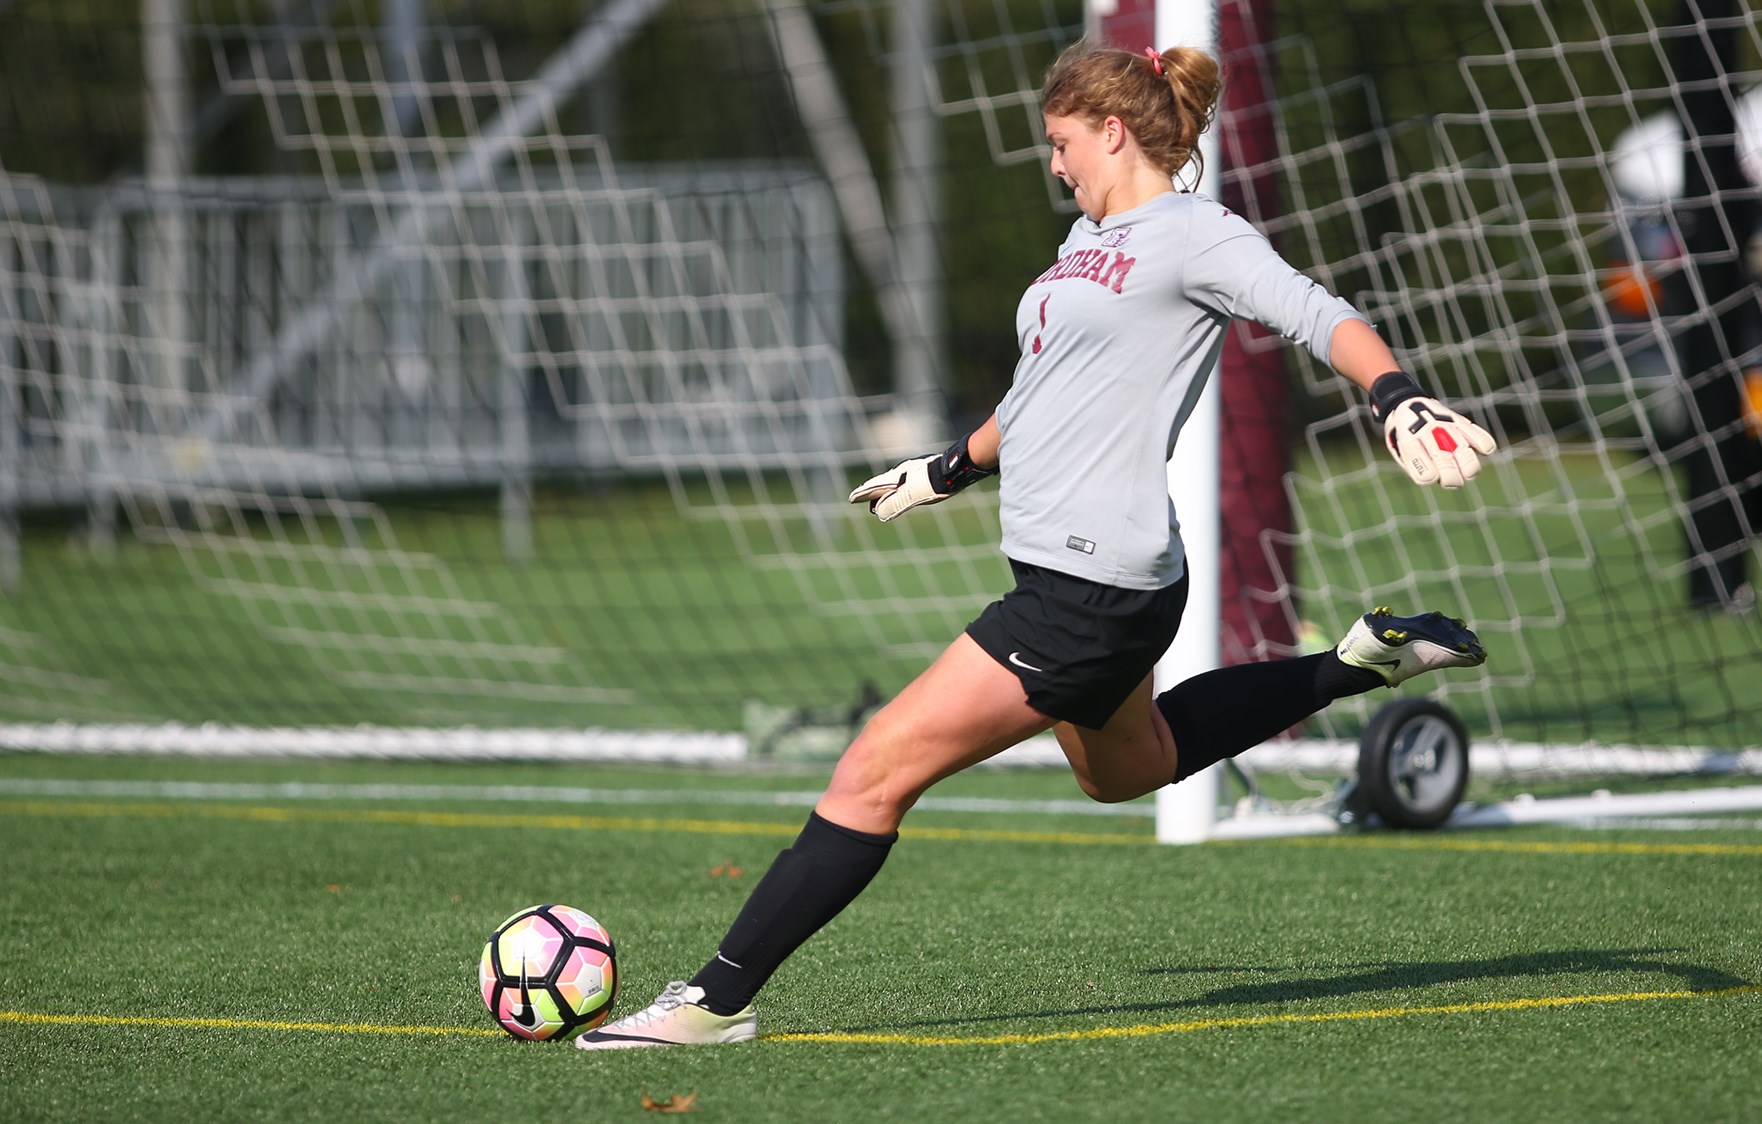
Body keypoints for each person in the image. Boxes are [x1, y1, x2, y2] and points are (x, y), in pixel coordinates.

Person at [575, 39, 1496, 1050]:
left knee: (872, 768)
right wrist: (948, 468)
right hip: (1092, 578)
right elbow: (1036, 394)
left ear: (1109, 129)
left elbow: (1317, 314)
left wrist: (1395, 397)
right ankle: (1353, 662)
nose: (1052, 164)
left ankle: (713, 999)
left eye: (1061, 142)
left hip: (1088, 587)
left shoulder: (1195, 233)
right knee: (1125, 770)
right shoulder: (1083, 240)